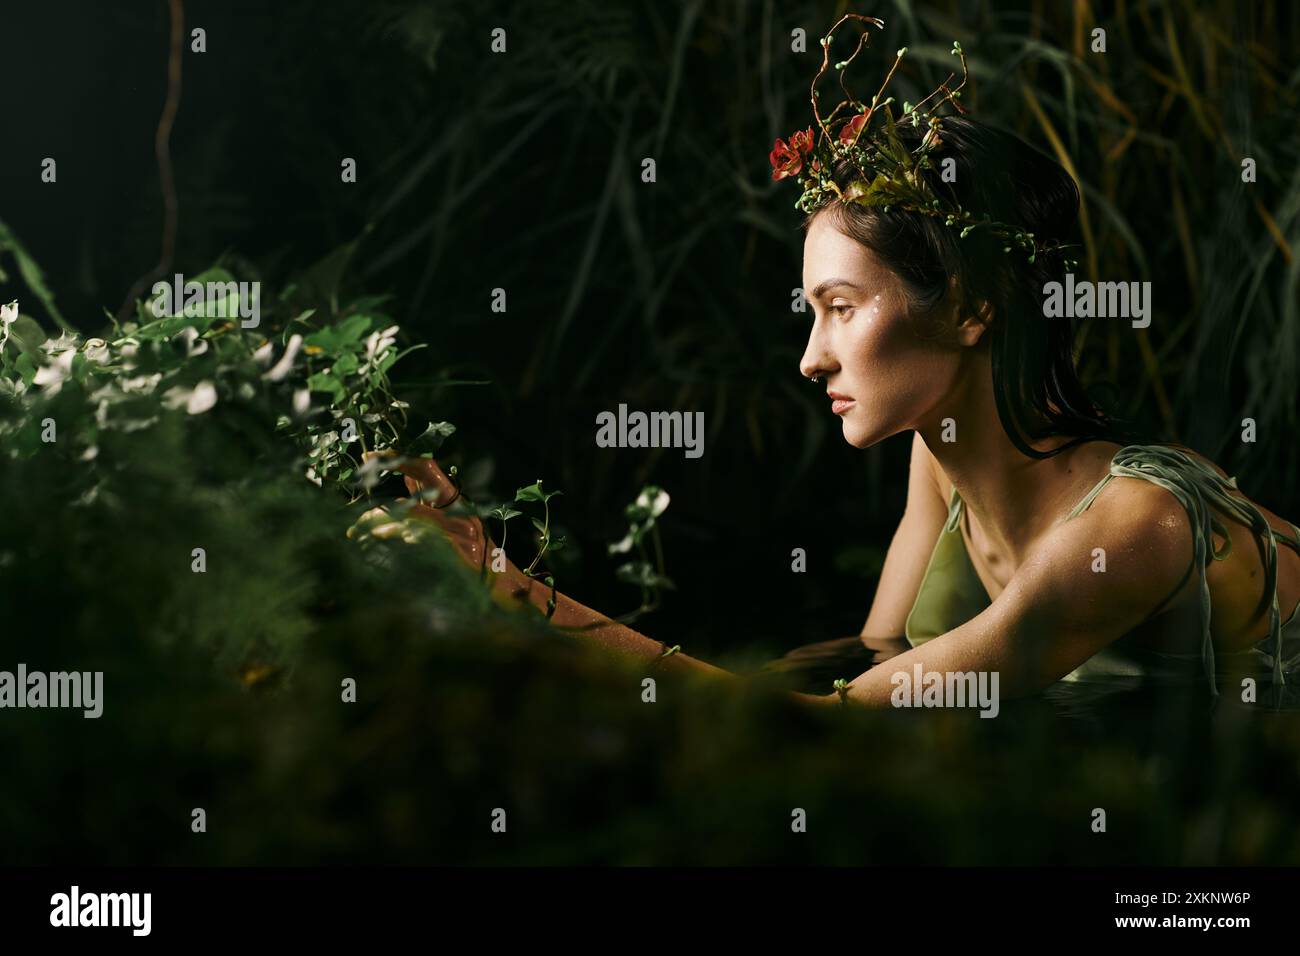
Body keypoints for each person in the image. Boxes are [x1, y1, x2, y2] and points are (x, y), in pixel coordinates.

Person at [383, 20, 1300, 710]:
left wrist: (506, 588)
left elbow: (822, 733)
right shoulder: (940, 458)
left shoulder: (1133, 529)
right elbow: (874, 660)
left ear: (975, 306)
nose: (810, 359)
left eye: (843, 309)